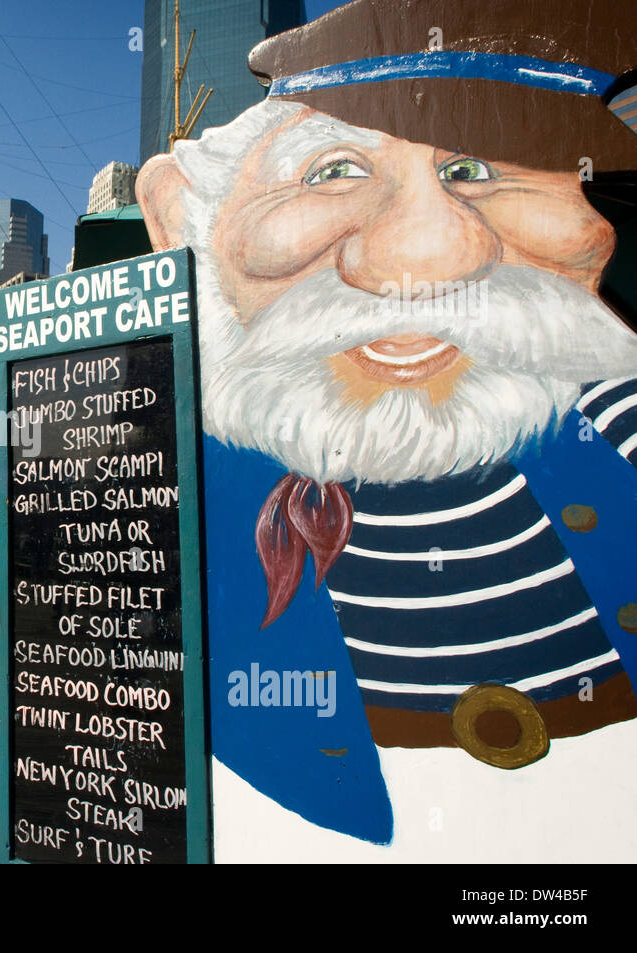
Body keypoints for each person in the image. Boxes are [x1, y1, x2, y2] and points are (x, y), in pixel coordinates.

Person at [135, 0, 637, 859]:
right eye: (330, 171)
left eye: (480, 168)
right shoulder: (163, 502)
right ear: (182, 218)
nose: (423, 257)